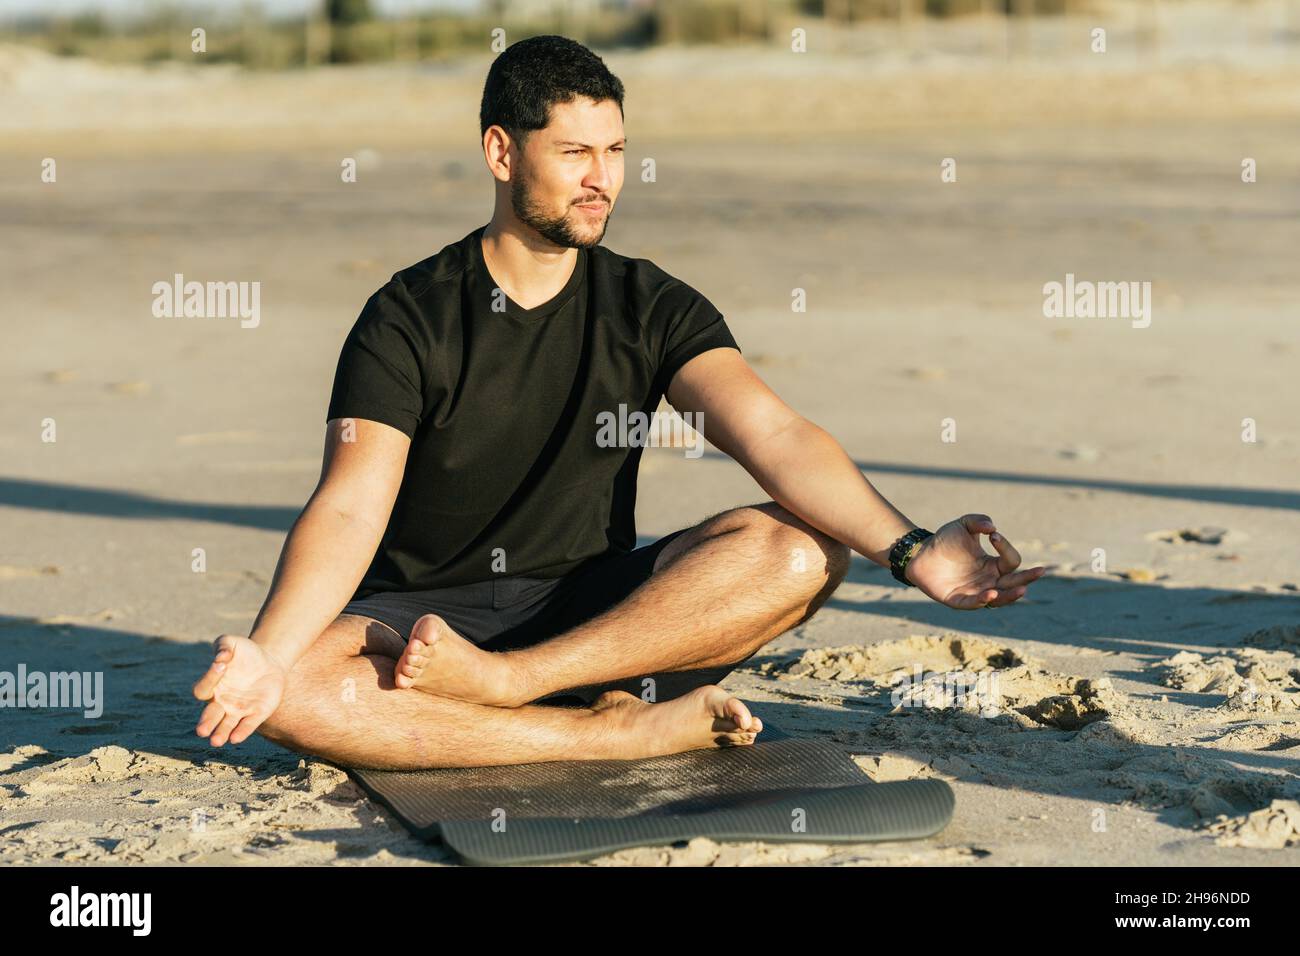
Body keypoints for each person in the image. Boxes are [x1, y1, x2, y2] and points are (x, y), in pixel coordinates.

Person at [192, 35, 1045, 771]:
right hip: (418, 626)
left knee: (802, 547)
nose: (602, 180)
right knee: (298, 694)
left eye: (615, 152)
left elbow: (774, 434)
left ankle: (514, 696)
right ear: (501, 153)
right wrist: (268, 655)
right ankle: (607, 738)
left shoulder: (649, 303)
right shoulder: (409, 315)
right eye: (573, 154)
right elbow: (348, 507)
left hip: (598, 624)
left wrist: (911, 551)